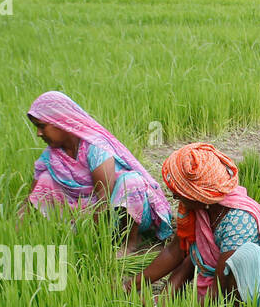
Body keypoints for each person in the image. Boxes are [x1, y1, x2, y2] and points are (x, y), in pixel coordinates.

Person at [123, 143, 260, 307]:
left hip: (258, 298)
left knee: (232, 262)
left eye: (180, 193)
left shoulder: (237, 221)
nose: (173, 196)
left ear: (199, 196)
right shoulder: (201, 209)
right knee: (193, 254)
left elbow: (219, 287)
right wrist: (129, 286)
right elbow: (177, 251)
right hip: (223, 284)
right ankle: (163, 306)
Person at [22, 91, 174, 254]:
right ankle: (71, 234)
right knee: (45, 181)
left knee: (130, 181)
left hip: (119, 213)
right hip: (82, 216)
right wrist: (16, 228)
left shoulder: (95, 148)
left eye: (41, 126)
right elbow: (30, 201)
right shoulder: (51, 156)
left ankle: (131, 241)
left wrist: (90, 243)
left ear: (60, 121)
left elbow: (103, 199)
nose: (38, 133)